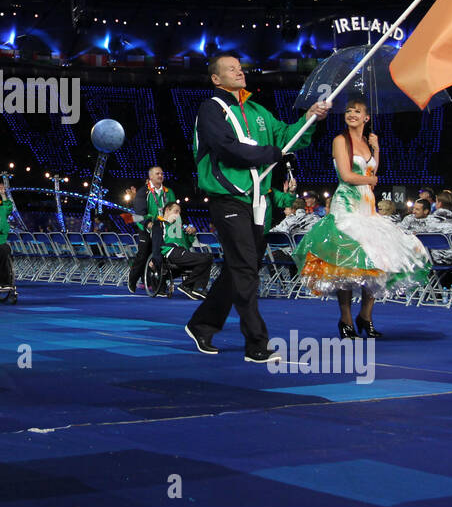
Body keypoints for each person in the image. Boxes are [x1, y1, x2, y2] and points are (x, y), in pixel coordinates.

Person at [183, 54, 330, 359]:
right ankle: (257, 344)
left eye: (240, 67)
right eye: (230, 69)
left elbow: (288, 139)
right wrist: (270, 154)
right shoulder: (211, 109)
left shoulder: (258, 111)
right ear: (216, 79)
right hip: (228, 200)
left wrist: (309, 119)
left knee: (239, 268)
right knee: (246, 268)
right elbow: (226, 148)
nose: (239, 71)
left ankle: (202, 324)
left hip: (257, 204)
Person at [293, 95, 429, 339]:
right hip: (347, 206)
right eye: (348, 111)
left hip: (368, 207)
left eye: (356, 111)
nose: (351, 114)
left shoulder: (368, 142)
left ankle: (365, 316)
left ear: (366, 117)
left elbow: (371, 169)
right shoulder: (340, 141)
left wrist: (376, 149)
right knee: (346, 264)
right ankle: (346, 320)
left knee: (378, 260)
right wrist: (370, 179)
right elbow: (346, 175)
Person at [126, 166, 176, 293]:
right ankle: (132, 279)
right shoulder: (144, 192)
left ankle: (159, 286)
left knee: (161, 254)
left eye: (162, 173)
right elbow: (139, 212)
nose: (160, 175)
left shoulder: (169, 192)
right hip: (146, 227)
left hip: (163, 227)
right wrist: (148, 223)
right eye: (157, 173)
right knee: (143, 255)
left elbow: (175, 209)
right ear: (151, 177)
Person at [152, 201, 211, 299]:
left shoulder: (179, 226)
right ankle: (188, 285)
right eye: (176, 211)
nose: (178, 214)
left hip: (182, 252)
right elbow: (156, 244)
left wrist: (191, 233)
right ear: (167, 210)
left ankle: (197, 288)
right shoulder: (160, 224)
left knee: (207, 258)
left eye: (179, 212)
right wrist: (155, 260)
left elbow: (188, 243)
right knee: (207, 258)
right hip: (171, 251)